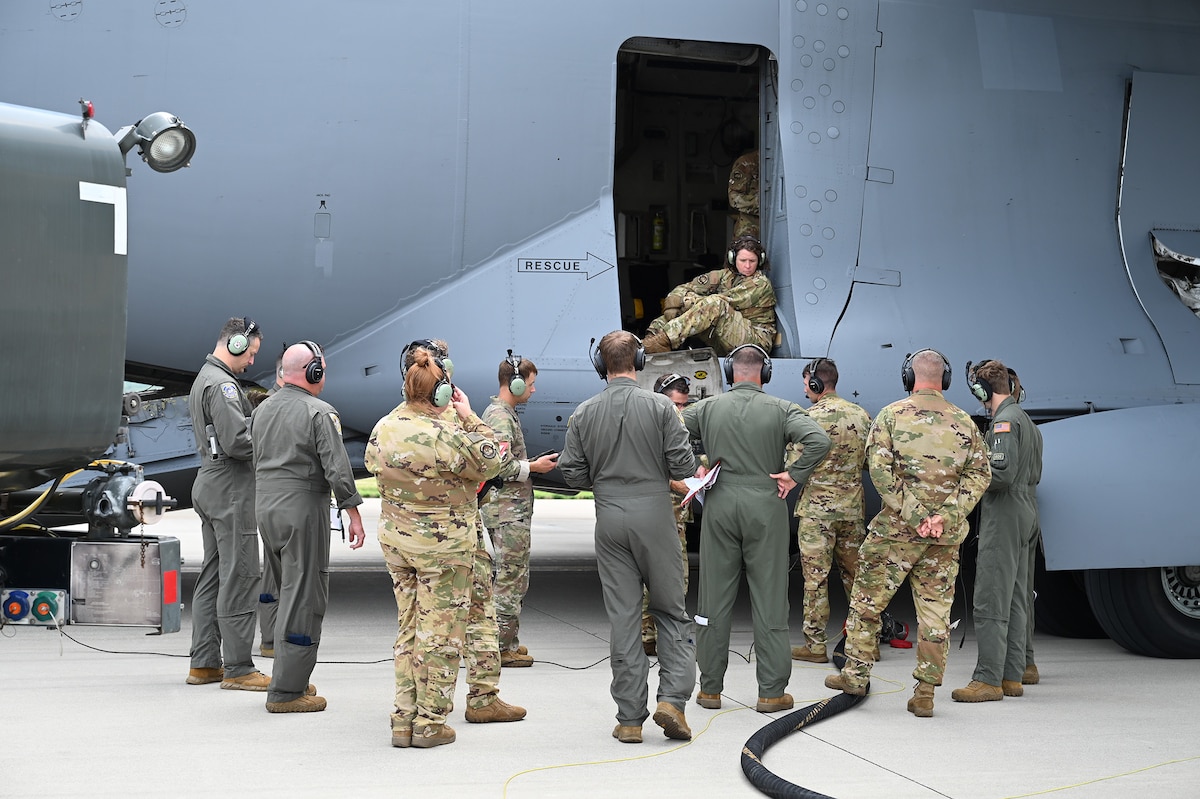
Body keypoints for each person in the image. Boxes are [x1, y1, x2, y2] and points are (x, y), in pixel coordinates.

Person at [825, 349, 990, 718]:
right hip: (942, 539)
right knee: (934, 614)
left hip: (895, 534)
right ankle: (925, 693)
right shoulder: (965, 423)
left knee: (867, 602)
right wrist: (944, 517)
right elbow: (980, 475)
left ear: (908, 377)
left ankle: (855, 677)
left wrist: (915, 515)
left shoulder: (891, 416)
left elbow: (880, 472)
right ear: (944, 379)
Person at [365, 346, 515, 748]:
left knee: (410, 630)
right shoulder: (447, 434)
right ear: (443, 396)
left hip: (398, 543)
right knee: (442, 636)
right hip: (444, 548)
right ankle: (430, 723)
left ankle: (403, 719)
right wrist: (469, 416)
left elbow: (372, 466)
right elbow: (494, 459)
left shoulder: (384, 427)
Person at [559, 331, 698, 744]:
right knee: (671, 612)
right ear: (639, 360)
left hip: (610, 518)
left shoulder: (583, 412)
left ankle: (629, 719)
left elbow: (572, 472)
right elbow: (683, 463)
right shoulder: (660, 407)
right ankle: (672, 700)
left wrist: (604, 477)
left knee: (623, 620)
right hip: (655, 515)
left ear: (601, 365)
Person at [682, 344, 830, 714]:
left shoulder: (707, 408)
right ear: (764, 373)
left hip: (720, 505)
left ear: (730, 370)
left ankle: (710, 689)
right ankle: (771, 691)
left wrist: (695, 466)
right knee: (770, 600)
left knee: (713, 599)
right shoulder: (781, 409)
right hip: (766, 505)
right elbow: (819, 440)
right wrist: (793, 475)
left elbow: (670, 429)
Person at [398, 338, 528, 730]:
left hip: (412, 535)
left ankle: (414, 706)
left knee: (416, 624)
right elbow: (495, 459)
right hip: (458, 533)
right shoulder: (450, 418)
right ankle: (475, 698)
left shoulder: (396, 421)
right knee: (472, 616)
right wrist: (470, 416)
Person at [253, 341, 366, 714]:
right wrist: (352, 509)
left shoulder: (262, 408)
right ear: (314, 372)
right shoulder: (319, 412)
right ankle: (287, 691)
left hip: (266, 506)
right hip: (302, 508)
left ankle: (288, 673)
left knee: (280, 587)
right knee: (306, 594)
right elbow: (336, 466)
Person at [185, 316, 273, 691]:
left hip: (211, 482)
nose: (252, 361)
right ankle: (238, 668)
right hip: (231, 487)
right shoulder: (223, 386)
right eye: (251, 353)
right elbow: (238, 443)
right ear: (235, 345)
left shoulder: (204, 377)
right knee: (240, 573)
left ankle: (204, 663)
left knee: (216, 573)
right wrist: (275, 442)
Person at [952, 359, 1043, 703]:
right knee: (1018, 595)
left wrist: (972, 464)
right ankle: (1014, 673)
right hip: (1027, 510)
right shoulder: (1026, 422)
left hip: (1005, 512)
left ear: (983, 390)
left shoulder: (1004, 422)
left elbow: (1001, 476)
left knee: (991, 593)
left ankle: (988, 678)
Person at [789, 358, 872, 665]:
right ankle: (866, 645)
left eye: (806, 384)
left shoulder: (807, 418)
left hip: (817, 512)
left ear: (815, 384)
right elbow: (869, 463)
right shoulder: (861, 415)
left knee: (815, 579)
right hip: (851, 510)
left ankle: (814, 645)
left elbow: (794, 465)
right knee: (857, 577)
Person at [480, 351, 560, 667]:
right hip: (506, 511)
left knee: (514, 575)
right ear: (514, 385)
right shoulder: (499, 416)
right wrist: (534, 467)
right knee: (510, 578)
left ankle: (508, 639)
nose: (534, 389)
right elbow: (497, 465)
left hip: (509, 509)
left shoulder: (504, 414)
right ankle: (501, 648)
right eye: (531, 383)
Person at [641, 235, 776, 356]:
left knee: (714, 304)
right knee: (678, 313)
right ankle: (647, 345)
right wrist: (674, 303)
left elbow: (722, 302)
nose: (747, 266)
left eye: (752, 261)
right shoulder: (725, 275)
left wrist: (685, 302)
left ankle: (666, 340)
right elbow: (686, 287)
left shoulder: (761, 283)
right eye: (743, 260)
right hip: (728, 337)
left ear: (760, 260)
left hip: (755, 342)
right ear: (733, 259)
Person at [640, 372, 695, 656]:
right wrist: (675, 482)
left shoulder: (678, 427)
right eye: (676, 405)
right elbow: (641, 469)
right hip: (658, 512)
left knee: (669, 577)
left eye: (684, 405)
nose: (681, 411)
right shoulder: (649, 426)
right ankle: (659, 637)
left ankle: (650, 635)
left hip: (677, 515)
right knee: (668, 577)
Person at [256, 345, 287, 659]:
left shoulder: (264, 405)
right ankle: (278, 637)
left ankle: (269, 637)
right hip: (289, 503)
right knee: (288, 573)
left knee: (272, 570)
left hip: (267, 501)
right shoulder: (291, 404)